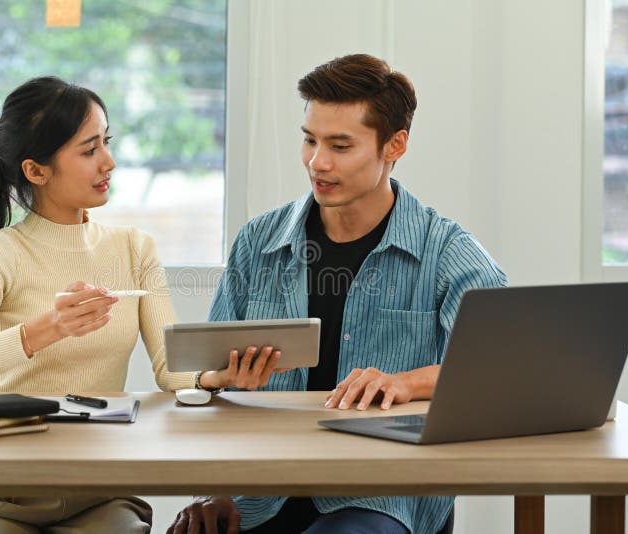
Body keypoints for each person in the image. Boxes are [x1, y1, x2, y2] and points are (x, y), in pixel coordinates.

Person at [168, 54, 507, 534]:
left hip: (379, 495)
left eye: (340, 145)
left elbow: (498, 367)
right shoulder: (258, 242)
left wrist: (406, 382)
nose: (317, 162)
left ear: (395, 145)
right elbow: (205, 379)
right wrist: (210, 483)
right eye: (309, 139)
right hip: (258, 488)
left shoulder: (446, 250)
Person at [0, 76, 200, 533]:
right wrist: (45, 329)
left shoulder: (135, 249)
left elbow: (172, 369)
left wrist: (215, 375)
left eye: (106, 143)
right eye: (89, 150)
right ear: (36, 171)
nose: (108, 161)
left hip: (97, 490)